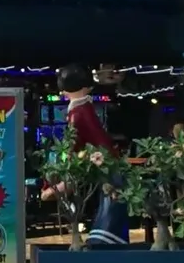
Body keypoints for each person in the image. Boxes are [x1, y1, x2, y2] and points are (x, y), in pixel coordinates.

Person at [43, 64, 129, 245]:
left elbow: (73, 145)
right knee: (112, 207)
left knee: (111, 210)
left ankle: (104, 242)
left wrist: (62, 177)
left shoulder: (78, 112)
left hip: (107, 167)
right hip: (106, 165)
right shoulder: (82, 108)